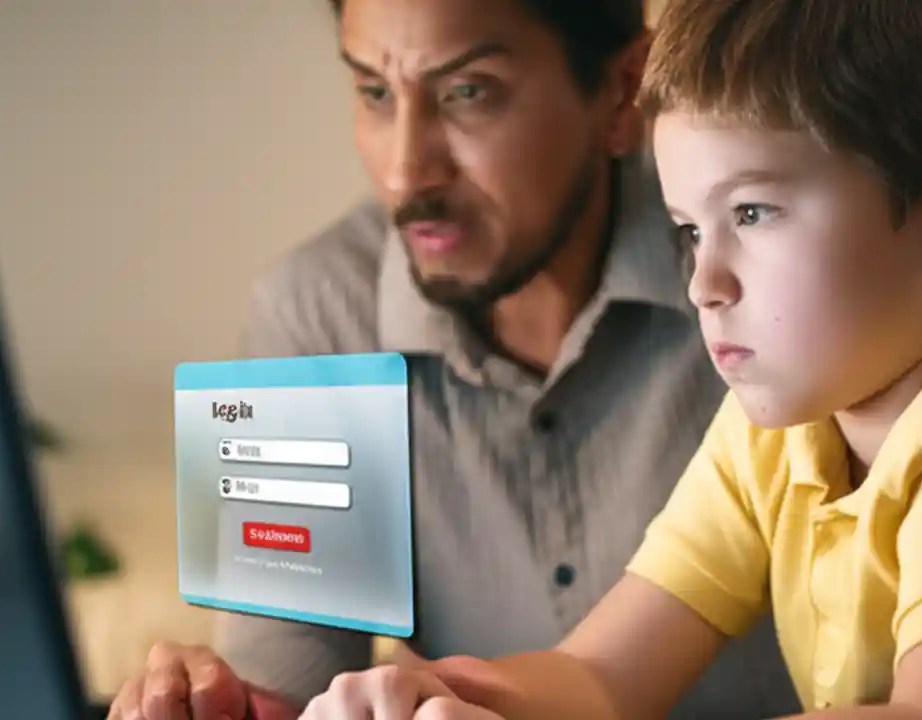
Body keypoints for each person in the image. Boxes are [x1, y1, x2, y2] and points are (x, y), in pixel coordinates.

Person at [296, 0, 922, 718]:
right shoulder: (784, 431)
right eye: (689, 230)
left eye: (751, 213)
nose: (703, 284)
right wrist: (443, 699)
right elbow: (601, 677)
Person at [107, 0, 802, 718]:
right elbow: (285, 682)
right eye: (375, 92)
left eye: (469, 92)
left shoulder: (773, 273)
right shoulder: (312, 313)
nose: (406, 173)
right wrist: (213, 703)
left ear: (624, 89)